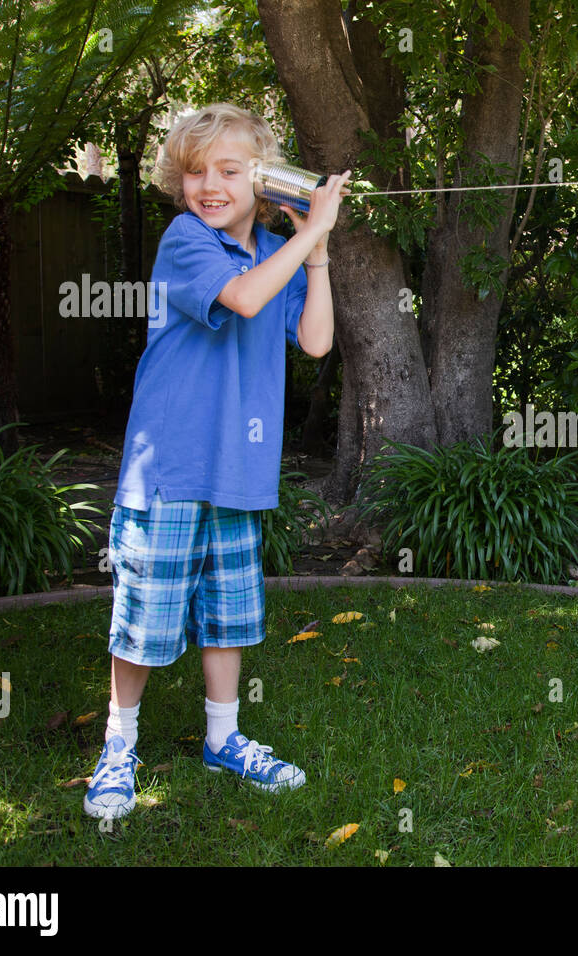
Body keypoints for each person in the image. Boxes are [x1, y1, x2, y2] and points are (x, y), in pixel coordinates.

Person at [83, 103, 350, 819]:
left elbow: (317, 340)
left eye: (229, 170)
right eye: (196, 171)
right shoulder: (184, 241)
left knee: (229, 617)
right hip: (169, 469)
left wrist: (315, 249)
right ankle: (117, 746)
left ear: (261, 179)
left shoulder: (276, 247)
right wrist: (314, 233)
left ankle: (223, 738)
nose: (209, 184)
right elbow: (242, 297)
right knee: (146, 619)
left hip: (239, 469)